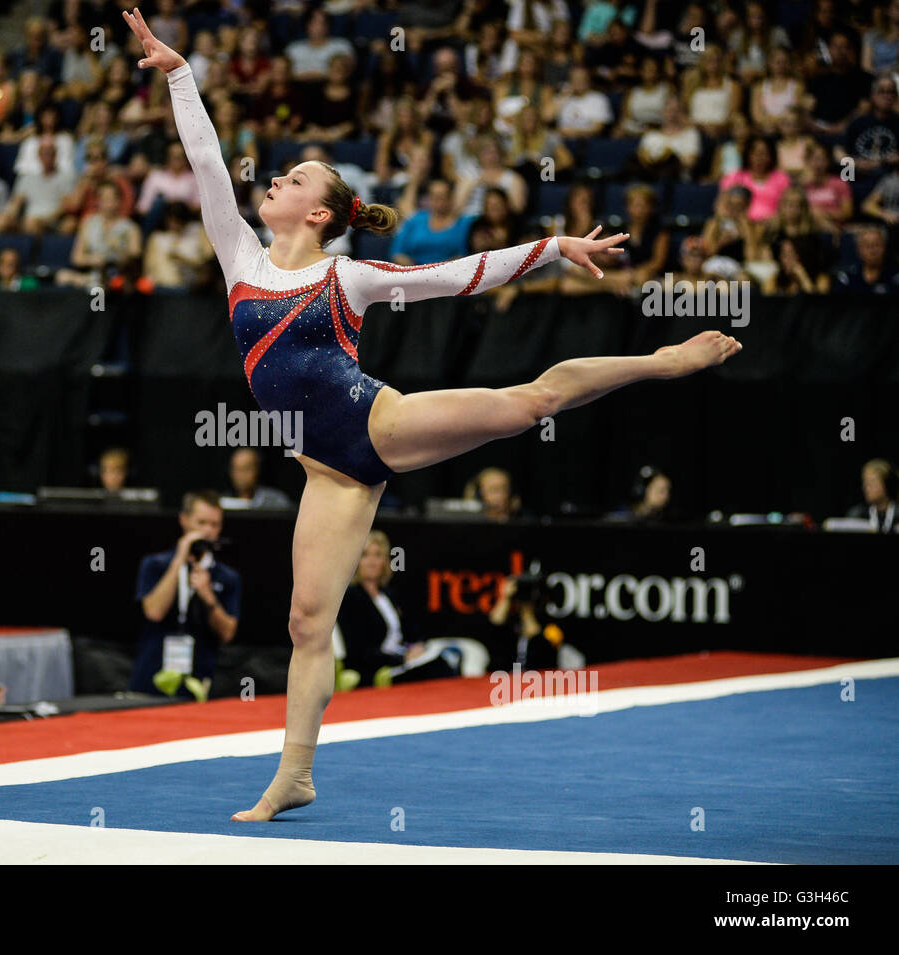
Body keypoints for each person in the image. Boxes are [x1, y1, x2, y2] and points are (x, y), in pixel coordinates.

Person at [124, 7, 742, 822]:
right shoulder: (238, 256)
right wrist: (179, 74)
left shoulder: (348, 278)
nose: (275, 179)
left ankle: (661, 361)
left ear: (319, 214)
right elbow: (205, 160)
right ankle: (296, 773)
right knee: (308, 621)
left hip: (377, 422)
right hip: (326, 470)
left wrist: (555, 247)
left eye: (298, 177)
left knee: (532, 402)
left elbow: (456, 275)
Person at [129, 489, 240, 702]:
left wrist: (208, 596)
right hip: (151, 679)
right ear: (184, 520)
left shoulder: (227, 577)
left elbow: (227, 633)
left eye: (214, 524)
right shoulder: (155, 565)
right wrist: (179, 561)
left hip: (200, 683)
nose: (208, 531)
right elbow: (154, 611)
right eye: (202, 523)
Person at [332, 530, 425, 688]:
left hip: (403, 659)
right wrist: (402, 659)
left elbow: (412, 630)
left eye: (378, 555)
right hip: (375, 669)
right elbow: (358, 652)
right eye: (365, 555)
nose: (372, 561)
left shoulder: (389, 594)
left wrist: (417, 646)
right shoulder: (349, 598)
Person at [222, 447, 291, 509]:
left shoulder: (276, 501)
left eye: (246, 468)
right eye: (236, 469)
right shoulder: (223, 503)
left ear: (257, 469)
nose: (241, 475)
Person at [846, 459, 898, 532]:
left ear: (887, 484)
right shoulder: (857, 515)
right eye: (865, 483)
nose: (866, 488)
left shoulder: (897, 514)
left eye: (872, 482)